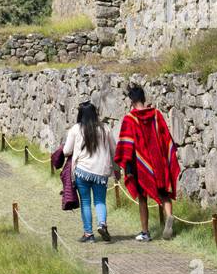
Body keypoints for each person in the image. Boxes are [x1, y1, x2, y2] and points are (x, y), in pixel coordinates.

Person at [114, 84, 181, 242]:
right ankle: (169, 216)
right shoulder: (156, 114)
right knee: (163, 193)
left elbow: (126, 145)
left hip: (140, 165)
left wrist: (124, 166)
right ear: (143, 99)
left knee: (142, 198)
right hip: (159, 162)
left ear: (131, 101)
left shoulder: (130, 119)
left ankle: (145, 232)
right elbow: (166, 138)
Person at [63, 101, 114, 243]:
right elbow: (113, 150)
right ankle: (102, 224)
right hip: (100, 172)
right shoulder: (105, 129)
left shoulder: (76, 129)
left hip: (82, 171)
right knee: (100, 201)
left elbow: (66, 151)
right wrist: (116, 170)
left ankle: (88, 234)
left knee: (85, 202)